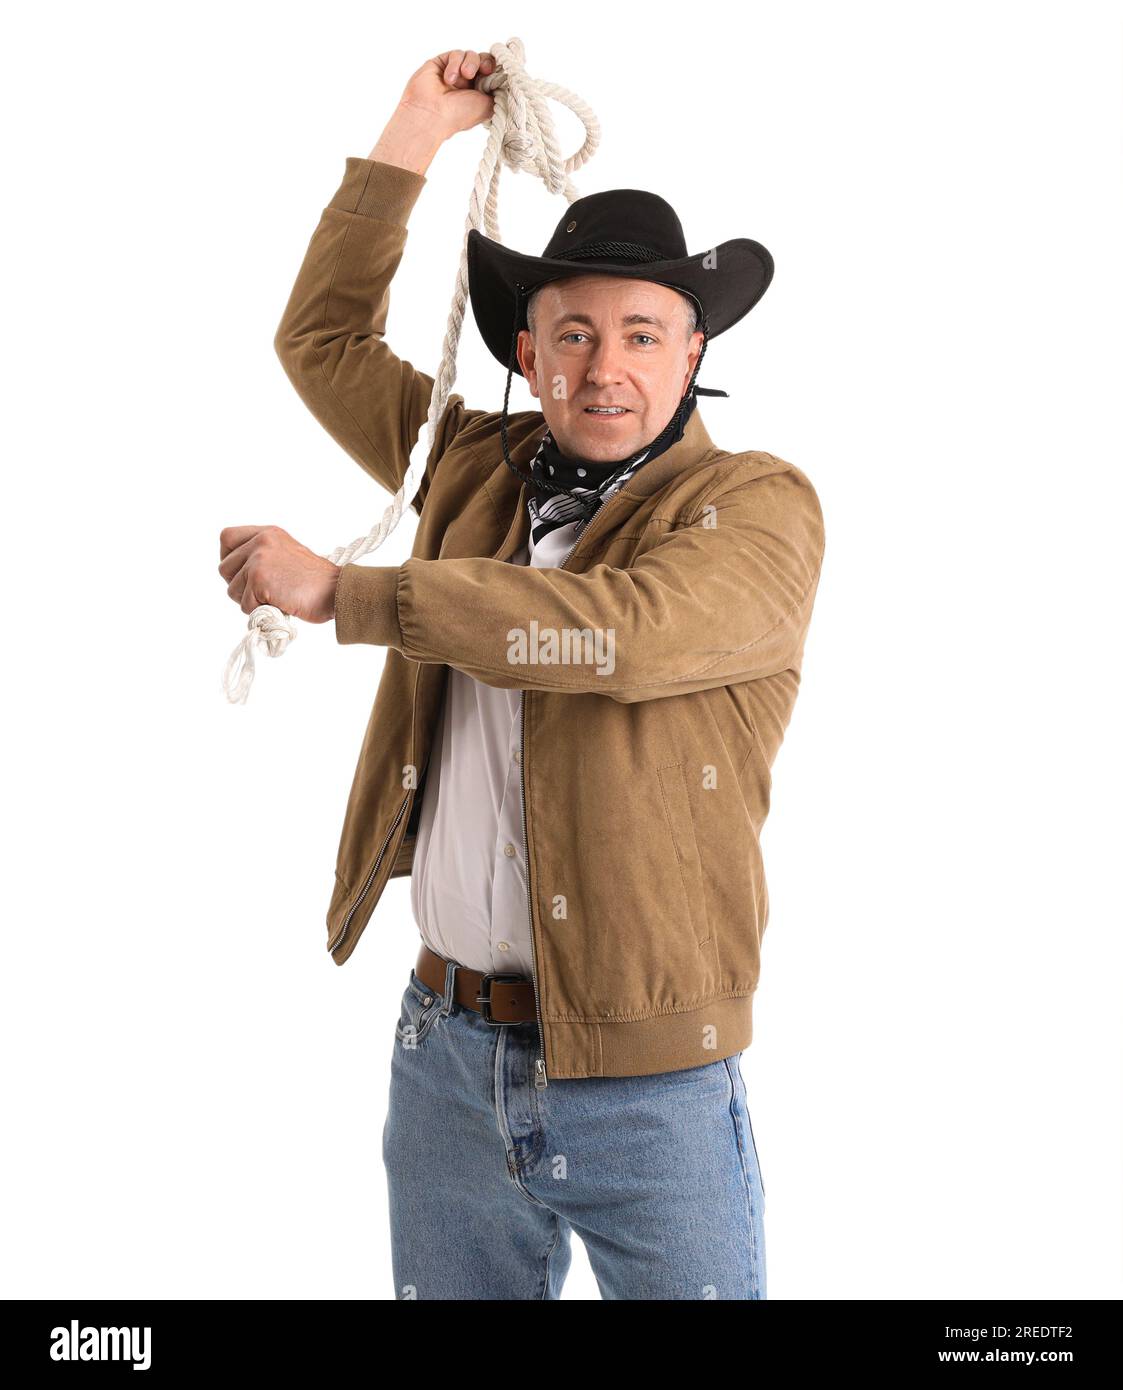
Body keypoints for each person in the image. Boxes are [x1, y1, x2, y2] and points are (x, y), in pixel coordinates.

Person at [218, 47, 826, 1300]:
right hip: (442, 1058)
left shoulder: (753, 506)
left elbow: (612, 634)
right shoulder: (472, 461)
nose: (607, 367)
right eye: (574, 334)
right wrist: (414, 130)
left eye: (641, 333)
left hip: (652, 1083)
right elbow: (321, 339)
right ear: (528, 348)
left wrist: (356, 595)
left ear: (691, 345)